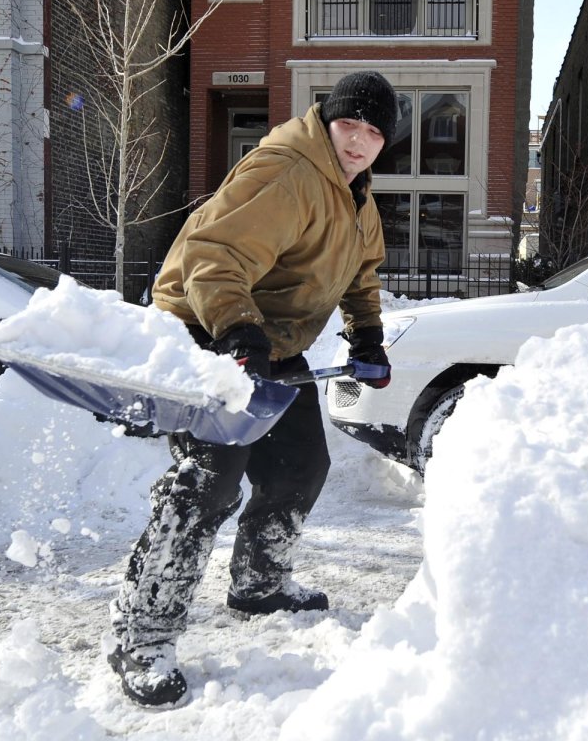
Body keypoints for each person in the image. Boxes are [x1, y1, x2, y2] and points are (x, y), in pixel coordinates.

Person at [107, 71, 398, 707]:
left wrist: (367, 336)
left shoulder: (357, 196)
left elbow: (361, 272)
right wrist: (238, 333)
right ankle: (144, 633)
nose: (359, 141)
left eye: (374, 132)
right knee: (209, 480)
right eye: (350, 124)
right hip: (208, 329)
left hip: (272, 343)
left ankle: (258, 582)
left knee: (299, 466)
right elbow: (214, 255)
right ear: (327, 120)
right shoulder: (287, 171)